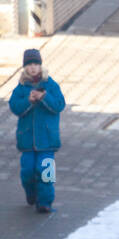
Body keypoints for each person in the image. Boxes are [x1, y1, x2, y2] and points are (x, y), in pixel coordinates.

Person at [9, 48, 65, 213]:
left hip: (47, 140)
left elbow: (59, 105)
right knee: (27, 171)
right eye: (29, 65)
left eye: (35, 64)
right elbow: (15, 107)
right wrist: (29, 101)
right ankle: (31, 193)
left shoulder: (50, 84)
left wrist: (44, 97)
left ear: (40, 66)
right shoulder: (21, 87)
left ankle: (45, 202)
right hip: (27, 140)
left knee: (46, 171)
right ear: (24, 67)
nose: (32, 68)